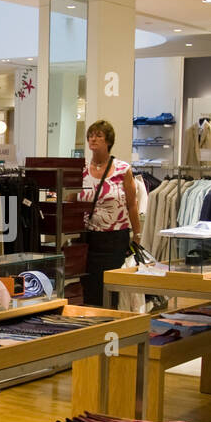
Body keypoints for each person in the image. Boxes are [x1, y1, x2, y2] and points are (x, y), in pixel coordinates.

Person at [78, 119, 140, 307]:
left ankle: (113, 325)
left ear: (108, 141)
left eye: (98, 135)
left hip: (114, 239)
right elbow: (72, 199)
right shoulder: (81, 170)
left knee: (112, 288)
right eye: (90, 135)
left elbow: (132, 205)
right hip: (89, 239)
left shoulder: (122, 169)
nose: (93, 139)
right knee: (90, 287)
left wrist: (137, 234)